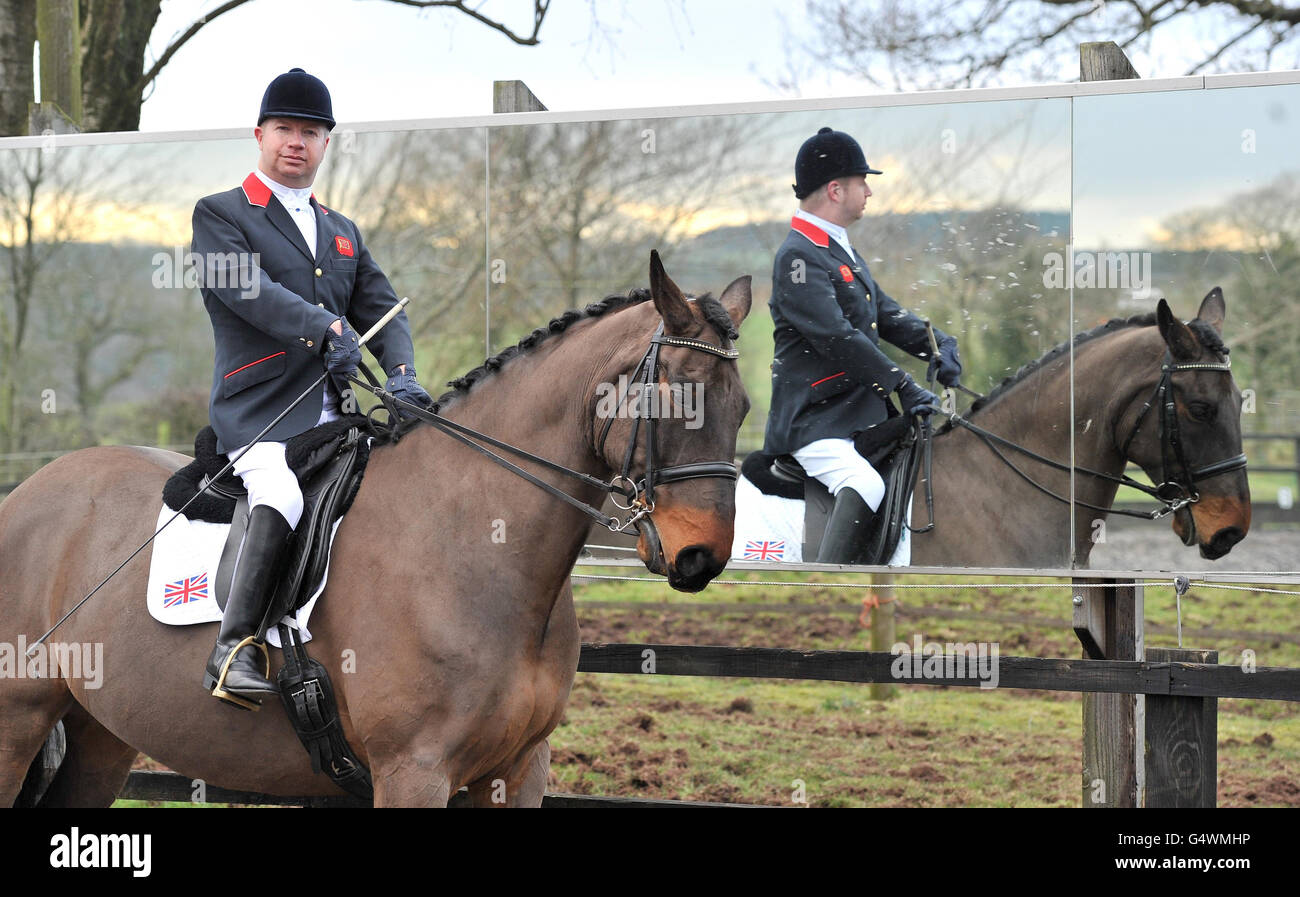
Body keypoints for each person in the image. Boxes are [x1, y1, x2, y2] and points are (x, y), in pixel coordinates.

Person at [191, 68, 432, 707]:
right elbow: (246, 290)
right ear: (260, 134)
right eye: (285, 129)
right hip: (262, 416)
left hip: (339, 416)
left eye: (310, 132)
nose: (296, 142)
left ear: (326, 143)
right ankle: (233, 648)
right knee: (279, 492)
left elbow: (384, 307)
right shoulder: (219, 214)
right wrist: (324, 324)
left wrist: (403, 376)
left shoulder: (343, 230)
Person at [762, 126, 962, 564]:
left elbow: (884, 315)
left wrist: (939, 345)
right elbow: (836, 336)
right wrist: (904, 385)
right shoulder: (798, 256)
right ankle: (830, 584)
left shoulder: (838, 250)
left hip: (855, 416)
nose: (869, 192)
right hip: (814, 420)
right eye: (861, 183)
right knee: (867, 485)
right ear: (836, 189)